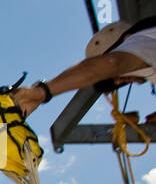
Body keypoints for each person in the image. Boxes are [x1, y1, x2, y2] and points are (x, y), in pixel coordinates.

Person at [13, 19, 156, 117]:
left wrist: (41, 92)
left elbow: (111, 63)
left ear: (127, 38)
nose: (118, 82)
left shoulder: (144, 40)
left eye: (113, 76)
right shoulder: (149, 63)